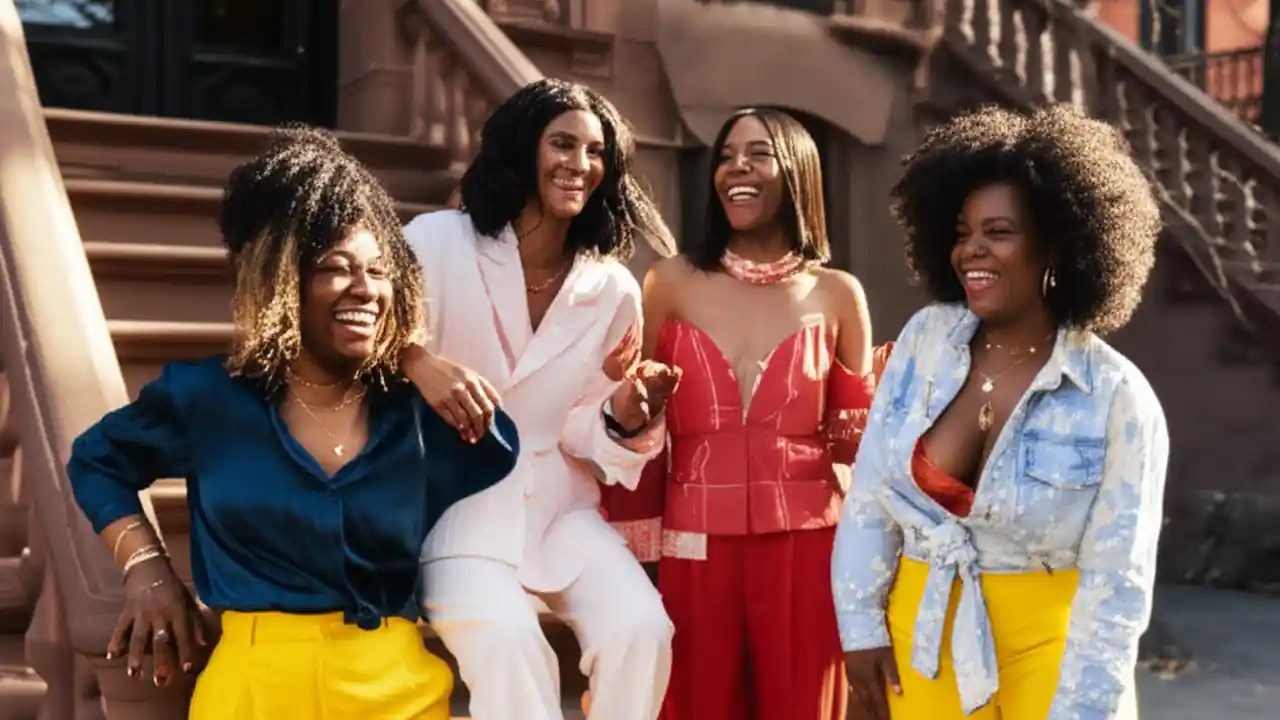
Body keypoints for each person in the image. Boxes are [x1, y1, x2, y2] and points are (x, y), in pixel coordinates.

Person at [67, 125, 519, 720]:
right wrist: (147, 568)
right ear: (281, 278)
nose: (365, 289)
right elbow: (96, 461)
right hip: (253, 691)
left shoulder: (416, 412)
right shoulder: (206, 399)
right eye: (336, 267)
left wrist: (412, 356)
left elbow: (498, 443)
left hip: (397, 690)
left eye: (380, 272)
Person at [833, 104, 1168, 720]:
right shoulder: (924, 342)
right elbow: (872, 494)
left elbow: (1118, 586)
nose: (972, 251)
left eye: (999, 231)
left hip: (1051, 655)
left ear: (1058, 245)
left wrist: (1087, 706)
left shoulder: (1117, 397)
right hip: (919, 642)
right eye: (962, 232)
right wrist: (860, 629)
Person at [401, 78, 680, 720]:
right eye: (562, 143)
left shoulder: (612, 287)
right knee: (512, 643)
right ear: (525, 145)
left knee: (643, 628)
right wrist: (418, 362)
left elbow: (584, 422)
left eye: (595, 152)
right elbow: (361, 347)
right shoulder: (436, 242)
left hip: (558, 510)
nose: (579, 164)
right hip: (453, 508)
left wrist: (628, 412)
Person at [600, 107, 875, 720]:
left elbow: (859, 453)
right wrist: (629, 551)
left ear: (797, 171)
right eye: (725, 156)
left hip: (809, 550)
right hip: (691, 544)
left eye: (757, 153)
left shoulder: (838, 294)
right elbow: (640, 426)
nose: (736, 168)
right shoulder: (667, 283)